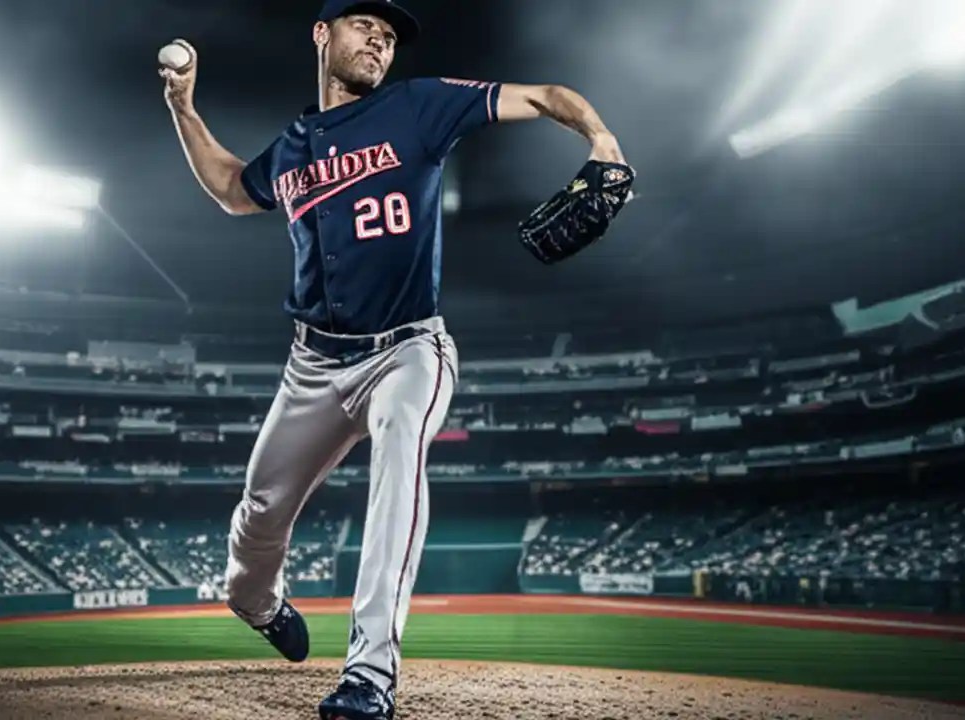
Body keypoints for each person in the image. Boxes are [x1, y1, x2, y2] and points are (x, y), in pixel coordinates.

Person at [160, 2, 630, 718]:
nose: (380, 38)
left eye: (389, 34)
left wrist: (601, 138)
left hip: (408, 350)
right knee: (258, 517)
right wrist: (183, 107)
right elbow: (231, 189)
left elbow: (542, 95)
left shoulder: (419, 107)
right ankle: (260, 604)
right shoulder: (293, 148)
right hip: (311, 366)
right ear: (322, 34)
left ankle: (368, 675)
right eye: (363, 25)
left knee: (399, 459)